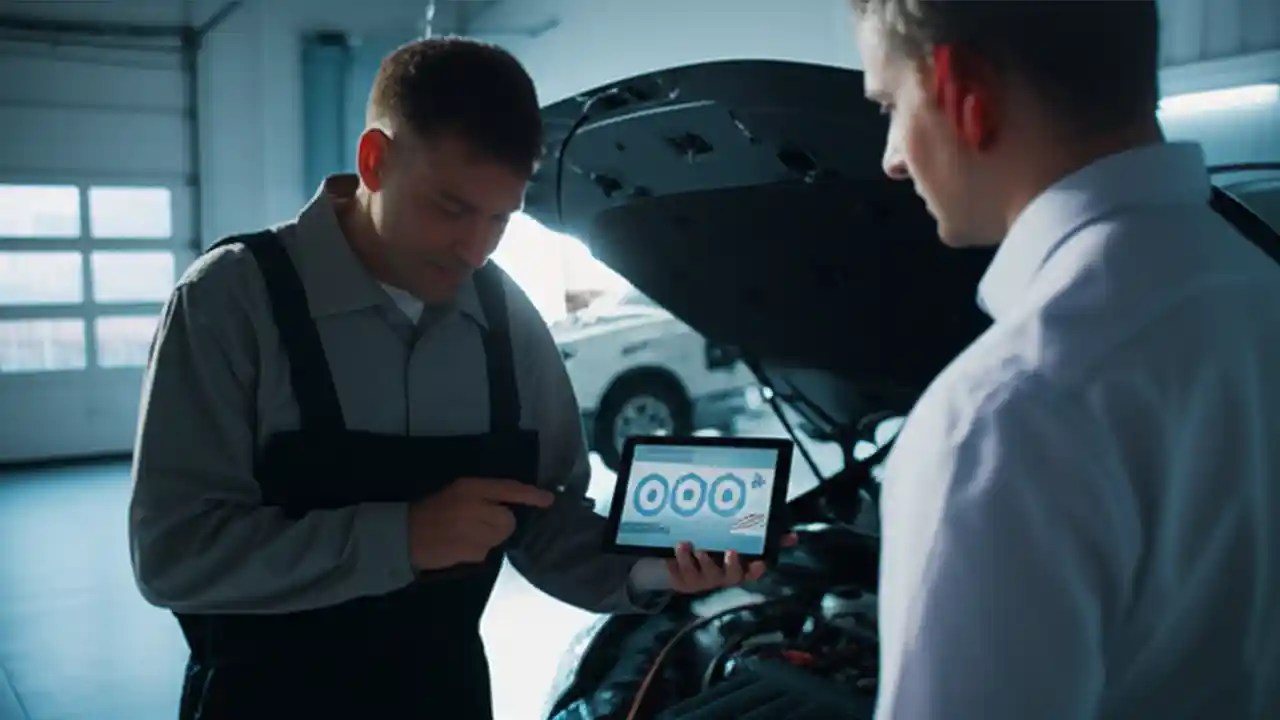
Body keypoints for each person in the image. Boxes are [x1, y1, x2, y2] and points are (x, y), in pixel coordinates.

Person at [128, 37, 770, 720]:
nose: (476, 248)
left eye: (500, 218)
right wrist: (401, 538)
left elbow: (546, 523)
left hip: (448, 698)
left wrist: (654, 569)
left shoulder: (505, 317)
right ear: (374, 161)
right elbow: (175, 555)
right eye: (451, 207)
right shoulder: (230, 301)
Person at [849, 1, 1280, 718]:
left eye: (892, 104)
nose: (892, 157)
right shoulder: (1261, 286)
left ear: (963, 91)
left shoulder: (1001, 418)